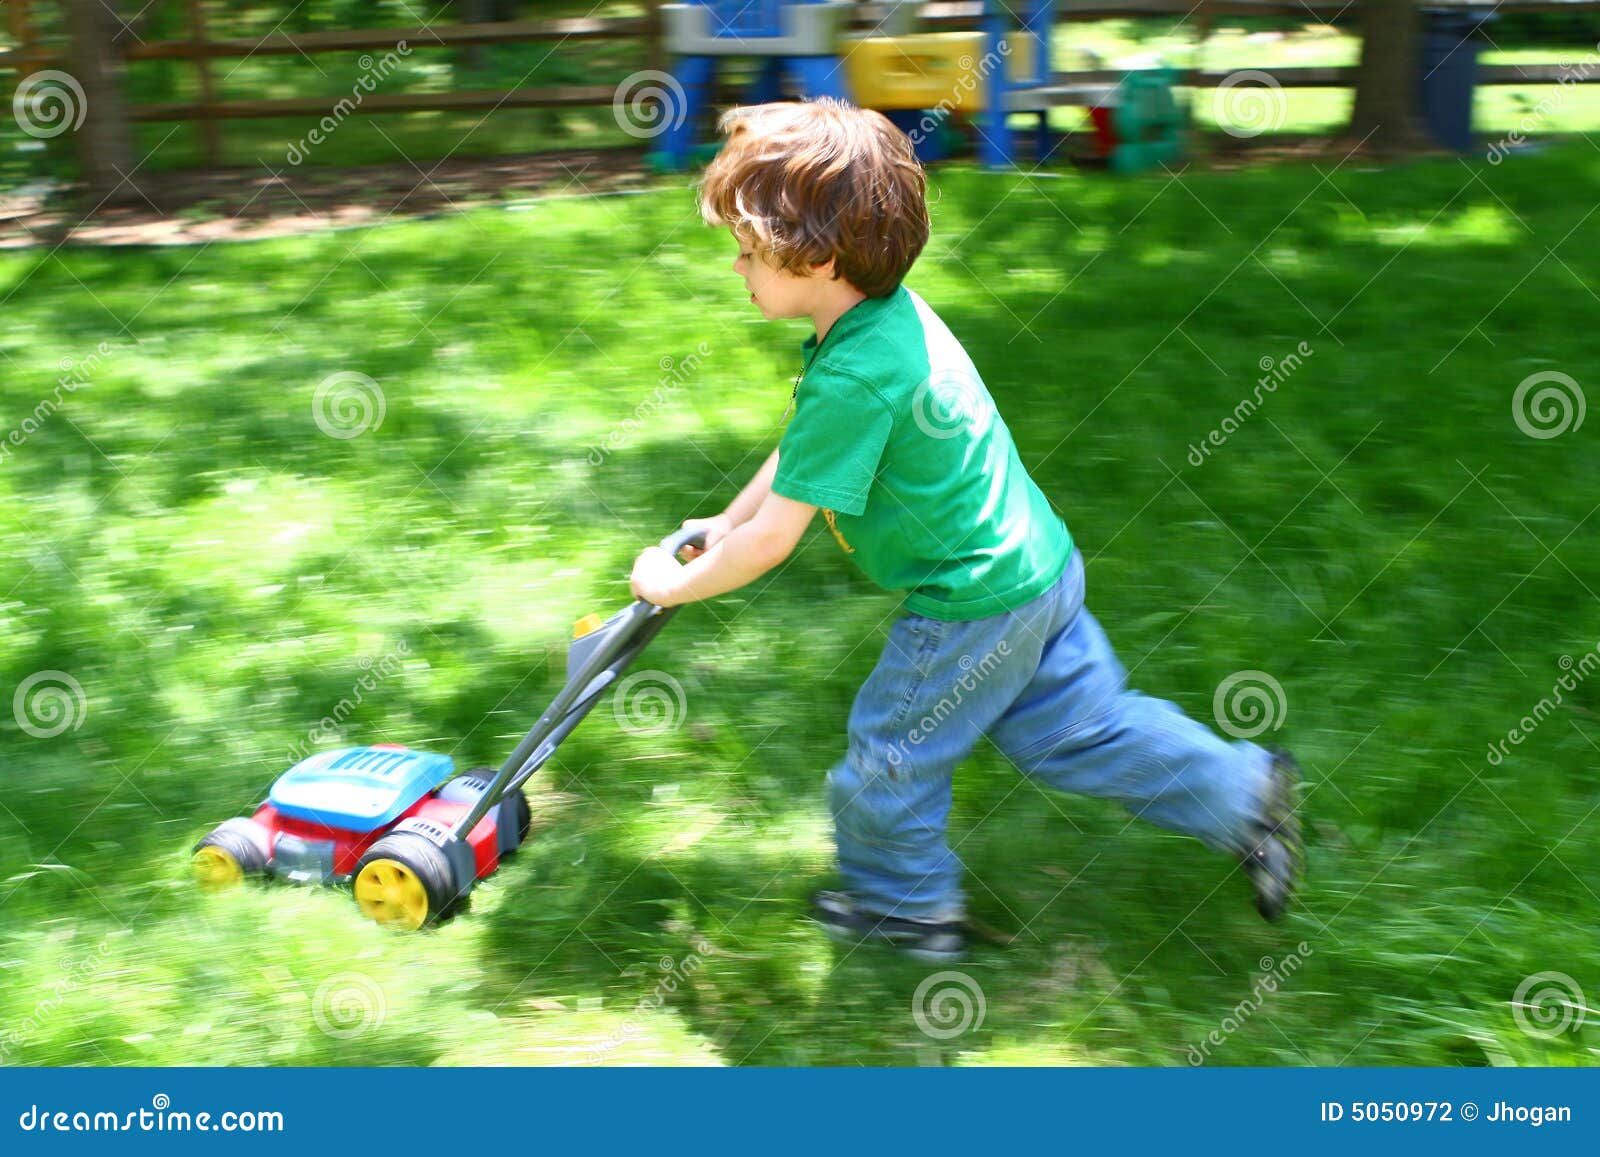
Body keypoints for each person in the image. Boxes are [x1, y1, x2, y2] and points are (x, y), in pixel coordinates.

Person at [628, 99, 1301, 962]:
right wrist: (727, 516)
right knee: (1076, 729)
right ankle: (1245, 793)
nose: (737, 269)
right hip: (1037, 566)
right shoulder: (885, 318)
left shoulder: (857, 371)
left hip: (970, 606)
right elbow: (805, 454)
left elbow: (775, 541)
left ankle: (901, 904)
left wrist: (671, 584)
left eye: (750, 253)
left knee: (888, 759)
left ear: (818, 257)